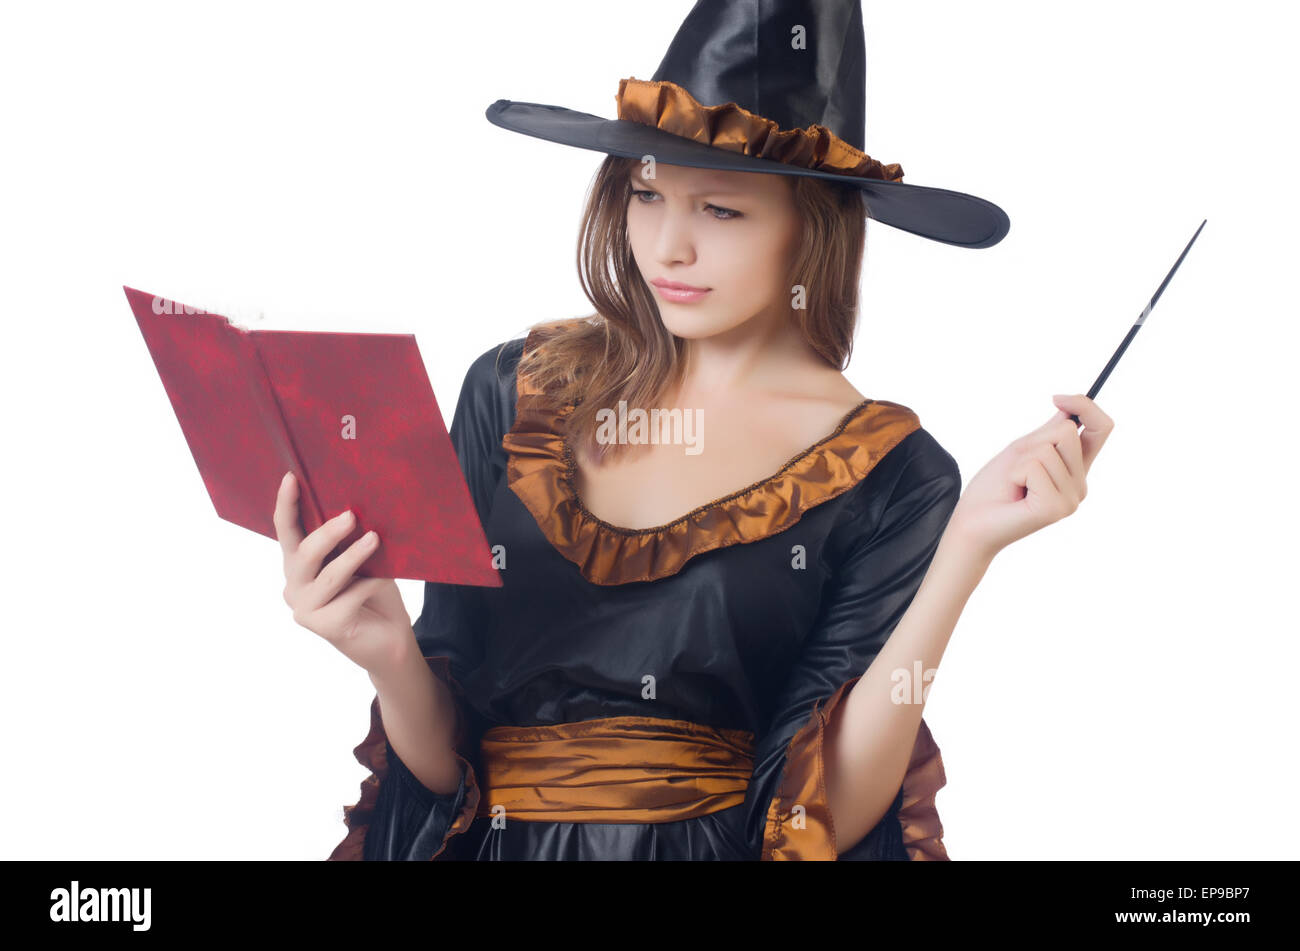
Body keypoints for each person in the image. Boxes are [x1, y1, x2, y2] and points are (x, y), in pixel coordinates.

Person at [276, 0, 1114, 860]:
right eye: (645, 194)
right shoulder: (510, 392)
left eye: (720, 210)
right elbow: (445, 775)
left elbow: (822, 814)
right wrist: (386, 654)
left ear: (813, 225)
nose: (666, 246)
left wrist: (968, 548)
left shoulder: (893, 478)